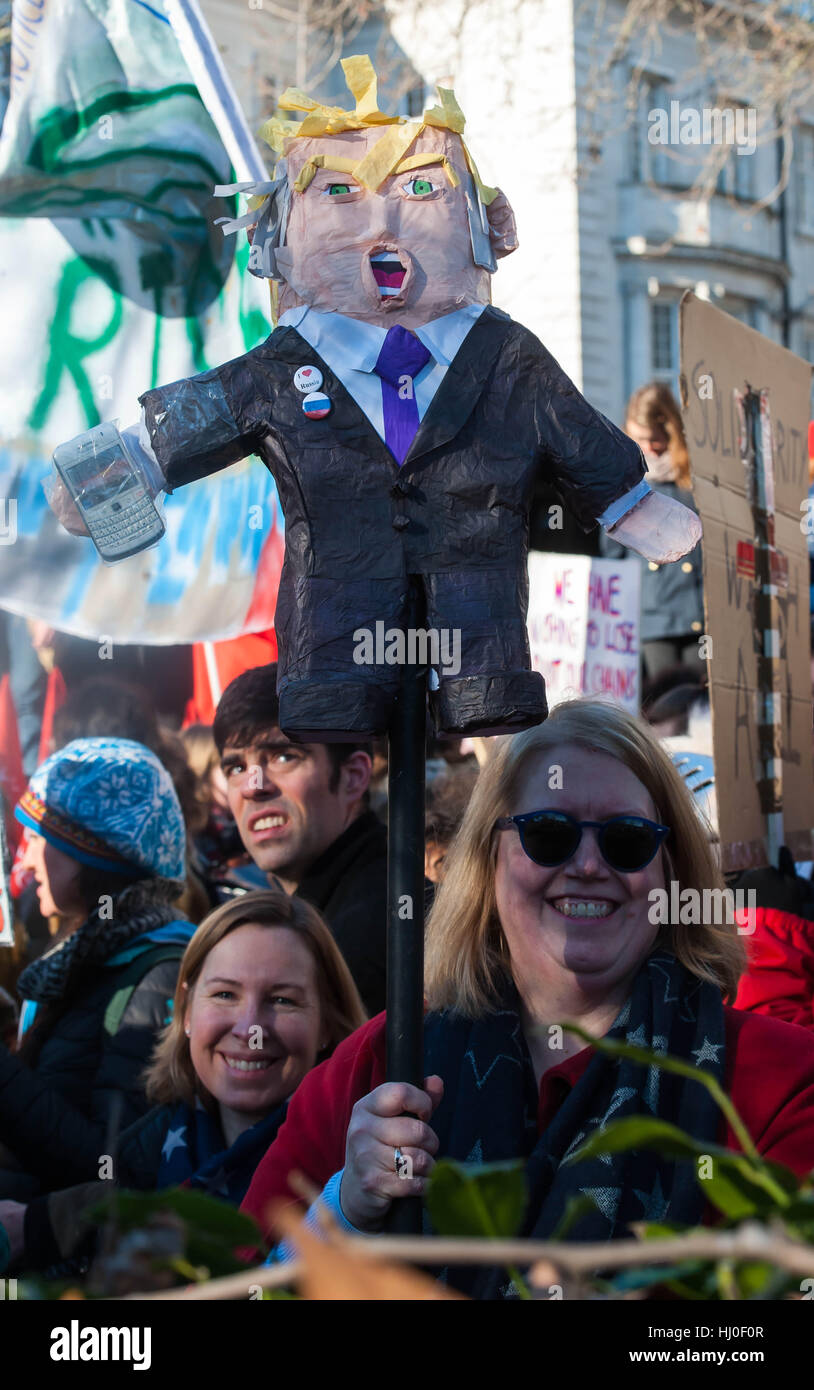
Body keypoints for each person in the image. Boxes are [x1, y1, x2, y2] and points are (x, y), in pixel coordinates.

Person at [241, 699, 814, 1297]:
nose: (589, 865)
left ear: (672, 871)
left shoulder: (777, 1079)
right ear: (488, 861)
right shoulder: (382, 1064)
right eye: (548, 835)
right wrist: (344, 1213)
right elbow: (230, 1288)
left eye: (626, 840)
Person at [0, 889, 366, 1273]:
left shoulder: (359, 1166)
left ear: (326, 1022)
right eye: (225, 994)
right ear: (187, 1011)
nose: (250, 1029)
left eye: (282, 1000)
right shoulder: (142, 1155)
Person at [0, 738, 195, 1200]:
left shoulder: (159, 974)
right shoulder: (83, 950)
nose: (25, 860)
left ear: (91, 852)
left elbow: (112, 1165)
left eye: (38, 838)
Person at [213, 664, 387, 1016]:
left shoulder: (388, 926)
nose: (253, 785)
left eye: (283, 756)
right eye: (236, 767)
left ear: (353, 777)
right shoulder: (308, 919)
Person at [601, 382, 705, 682]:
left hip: (695, 612)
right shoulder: (621, 479)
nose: (645, 448)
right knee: (664, 707)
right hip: (651, 616)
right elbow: (613, 557)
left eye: (653, 440)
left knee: (698, 704)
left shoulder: (692, 478)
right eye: (638, 439)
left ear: (670, 434)